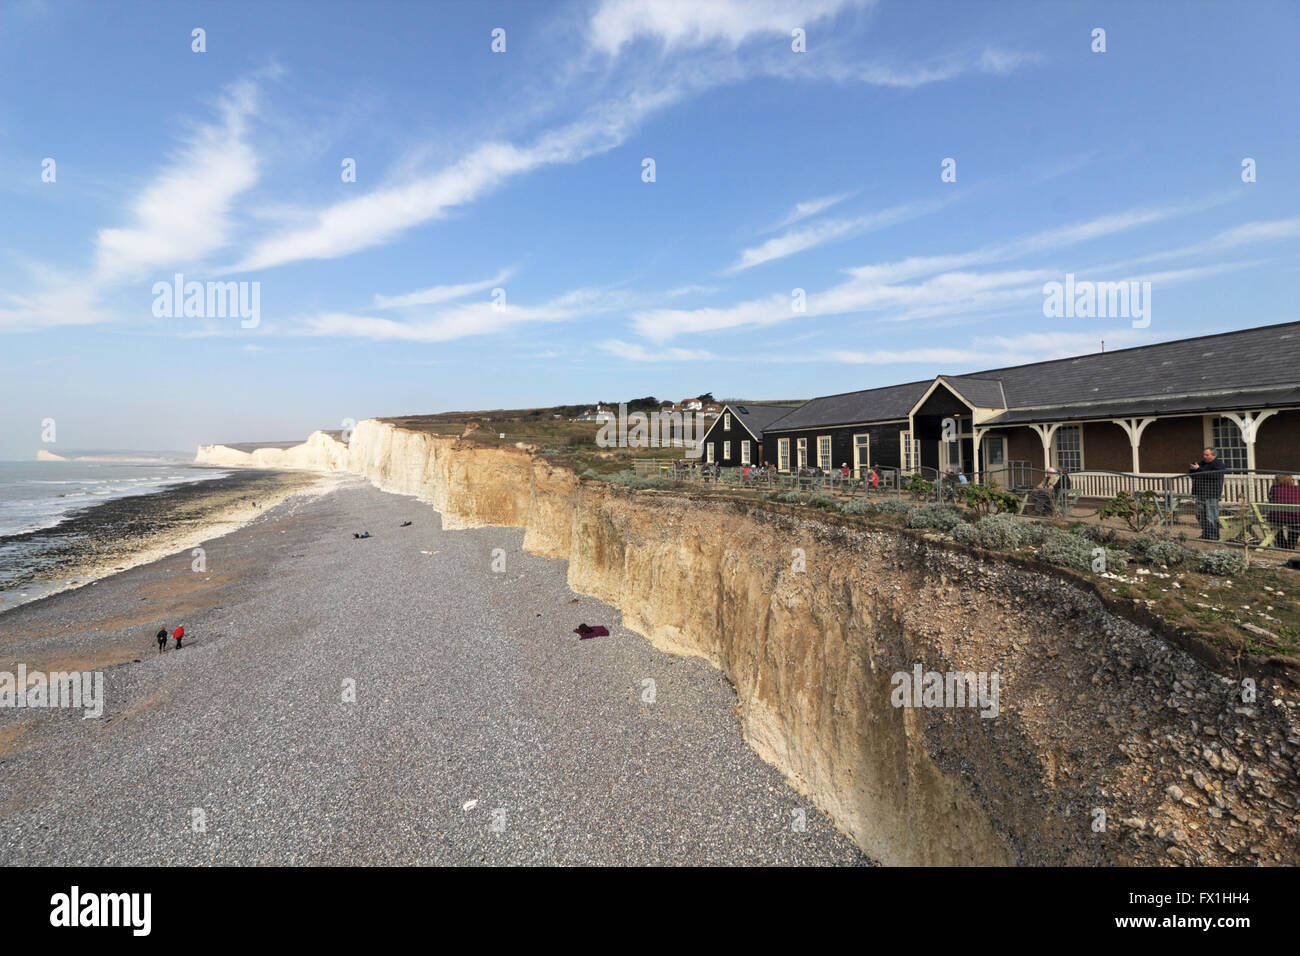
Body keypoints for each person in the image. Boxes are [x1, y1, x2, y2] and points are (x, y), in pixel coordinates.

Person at [1188, 447, 1226, 540]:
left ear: (1214, 455)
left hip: (1211, 494)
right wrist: (1193, 469)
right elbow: (1192, 475)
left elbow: (1214, 475)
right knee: (1200, 514)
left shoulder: (1218, 464)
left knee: (1211, 515)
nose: (1204, 456)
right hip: (1200, 493)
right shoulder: (1202, 464)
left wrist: (1199, 469)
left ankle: (1213, 535)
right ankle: (1206, 533)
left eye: (1207, 455)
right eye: (1204, 454)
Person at [1266, 474, 1300, 549]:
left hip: (1276, 518)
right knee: (1296, 526)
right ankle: (1291, 543)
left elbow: (1271, 500)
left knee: (1274, 525)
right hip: (1295, 518)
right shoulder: (1298, 489)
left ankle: (1282, 543)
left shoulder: (1274, 489)